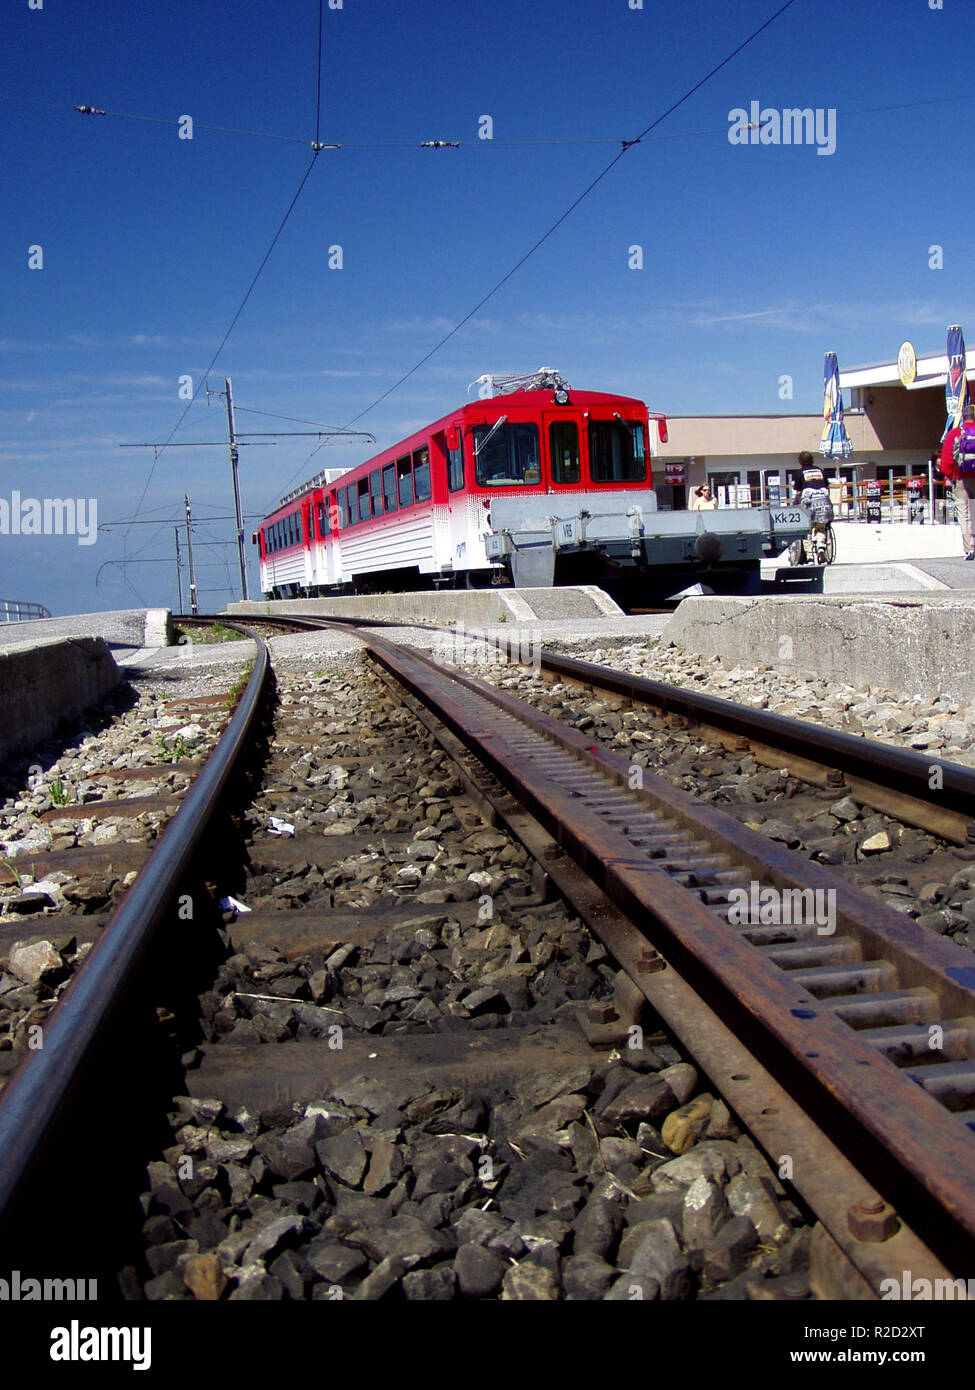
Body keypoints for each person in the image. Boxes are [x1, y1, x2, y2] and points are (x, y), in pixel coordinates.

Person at [939, 406, 975, 560]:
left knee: (964, 514)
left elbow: (945, 462)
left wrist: (951, 475)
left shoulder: (954, 434)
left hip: (960, 479)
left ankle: (970, 548)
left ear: (963, 418)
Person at [797, 455, 834, 563]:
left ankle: (810, 557)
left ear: (801, 462)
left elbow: (799, 492)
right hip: (824, 502)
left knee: (807, 530)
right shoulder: (820, 471)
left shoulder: (800, 472)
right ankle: (821, 548)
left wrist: (796, 504)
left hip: (810, 503)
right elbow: (827, 487)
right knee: (821, 527)